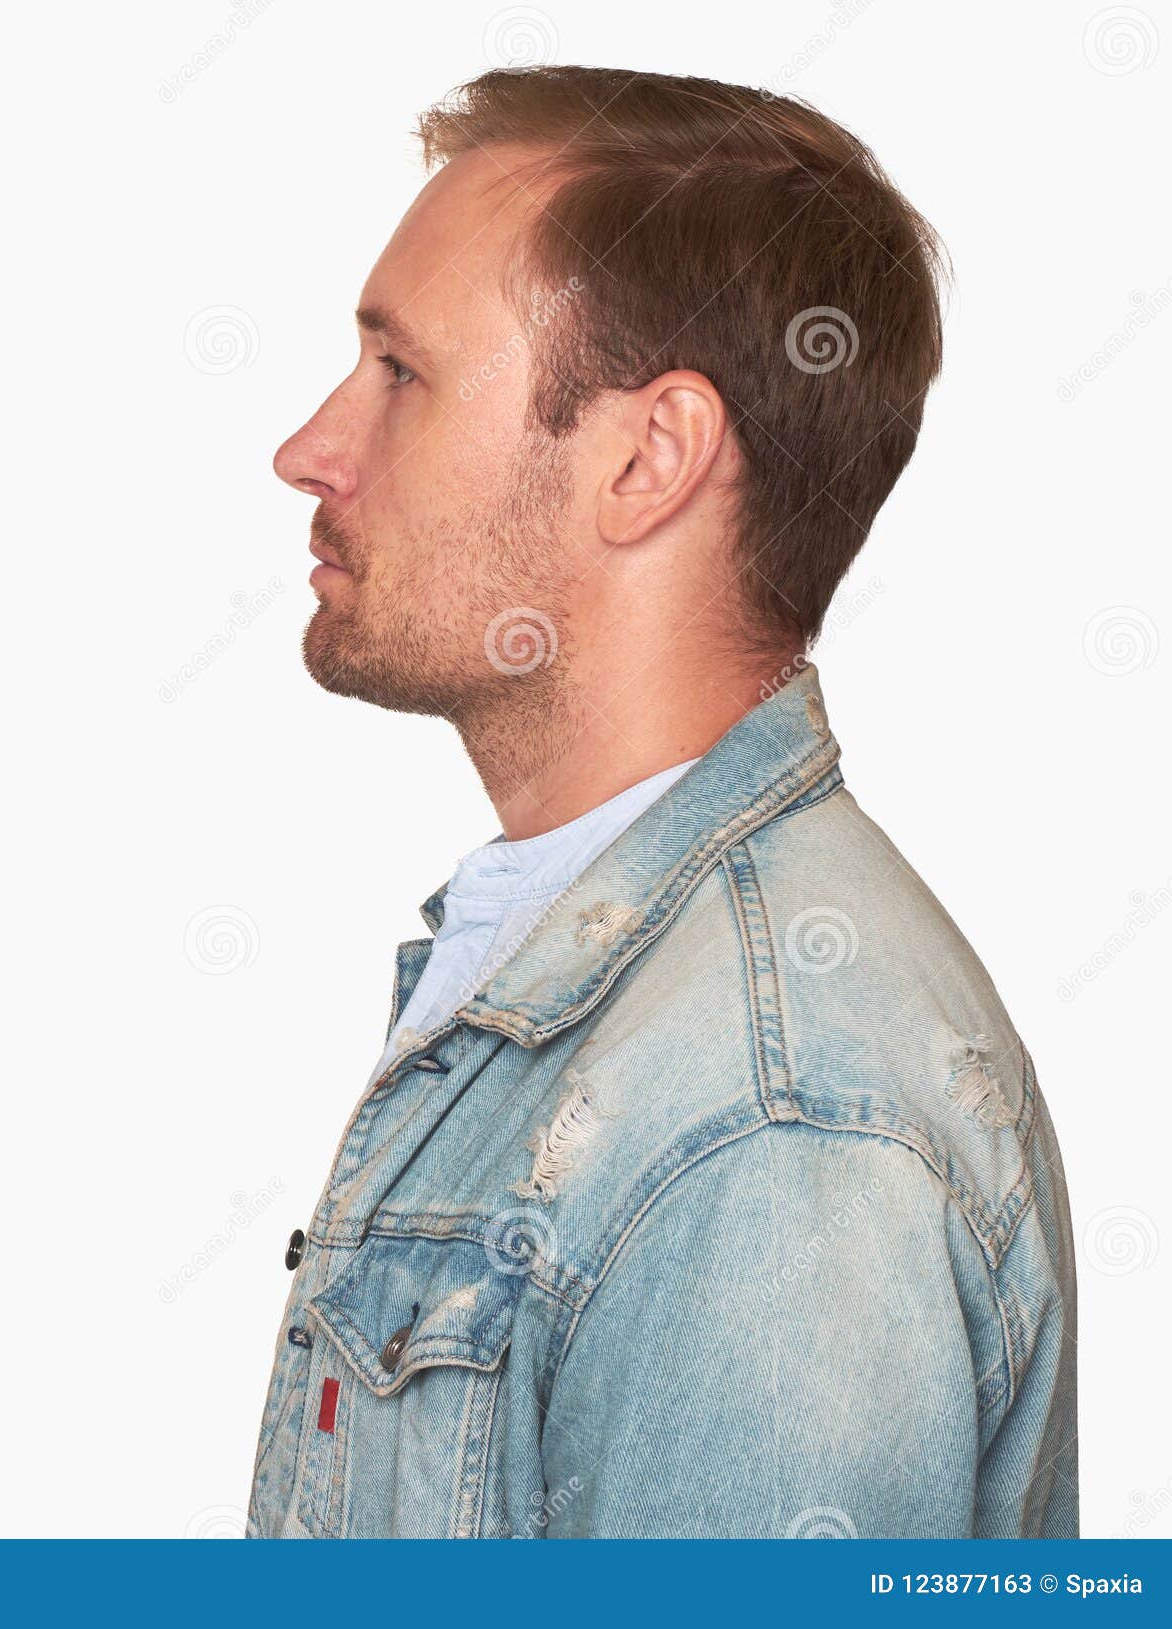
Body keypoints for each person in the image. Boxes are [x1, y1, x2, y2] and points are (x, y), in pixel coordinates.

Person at [246, 66, 1076, 1539]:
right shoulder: (596, 987)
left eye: (401, 372)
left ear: (647, 458)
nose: (311, 447)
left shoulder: (770, 1119)